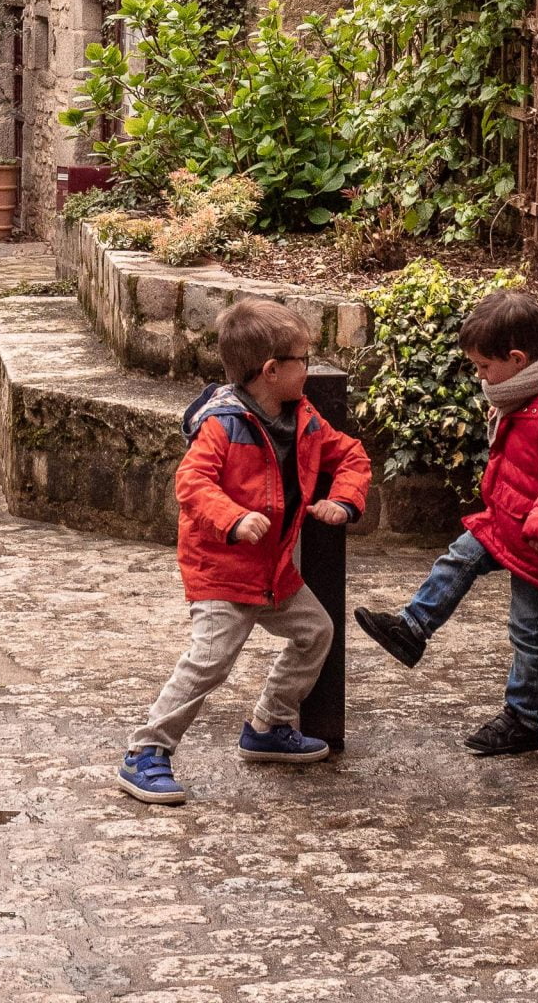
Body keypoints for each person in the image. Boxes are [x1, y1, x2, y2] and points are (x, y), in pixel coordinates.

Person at [355, 285, 538, 757]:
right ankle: (412, 629)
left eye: (485, 367)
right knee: (458, 559)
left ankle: (522, 719)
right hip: (510, 518)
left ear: (517, 358)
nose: (480, 376)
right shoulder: (528, 389)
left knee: (527, 628)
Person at [120, 297, 372, 806]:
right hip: (223, 572)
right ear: (272, 370)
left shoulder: (303, 417)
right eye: (303, 359)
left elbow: (350, 453)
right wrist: (233, 519)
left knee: (315, 632)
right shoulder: (223, 424)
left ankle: (269, 725)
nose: (310, 366)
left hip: (274, 572)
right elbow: (191, 483)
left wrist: (344, 501)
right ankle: (146, 752)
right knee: (209, 663)